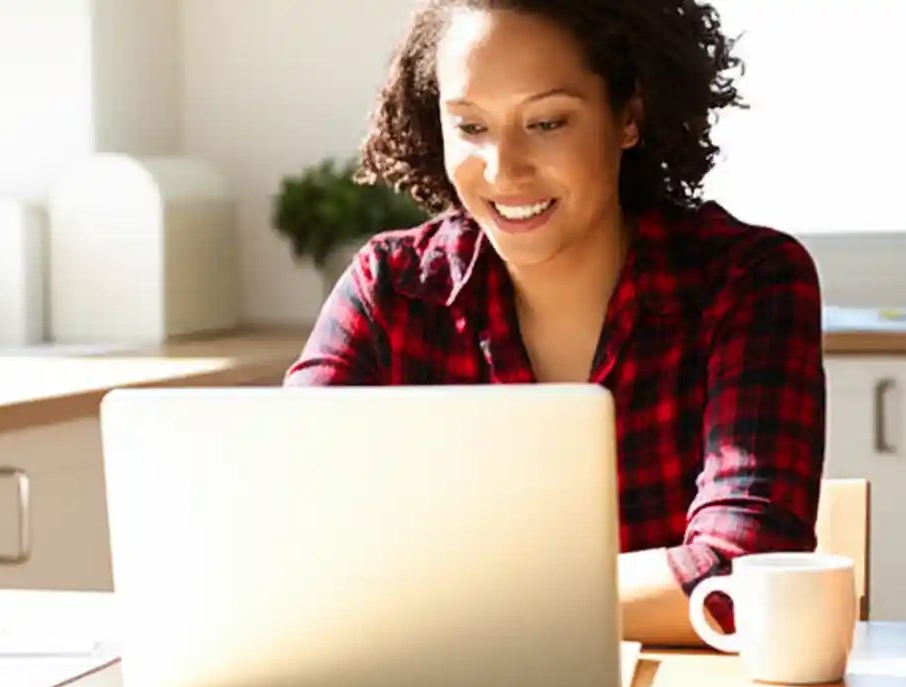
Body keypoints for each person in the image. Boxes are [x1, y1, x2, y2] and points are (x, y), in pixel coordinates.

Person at [283, 0, 826, 647]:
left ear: (628, 114)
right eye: (470, 126)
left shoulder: (746, 280)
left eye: (545, 122)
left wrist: (444, 603)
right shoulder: (389, 291)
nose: (502, 170)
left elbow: (743, 575)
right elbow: (290, 537)